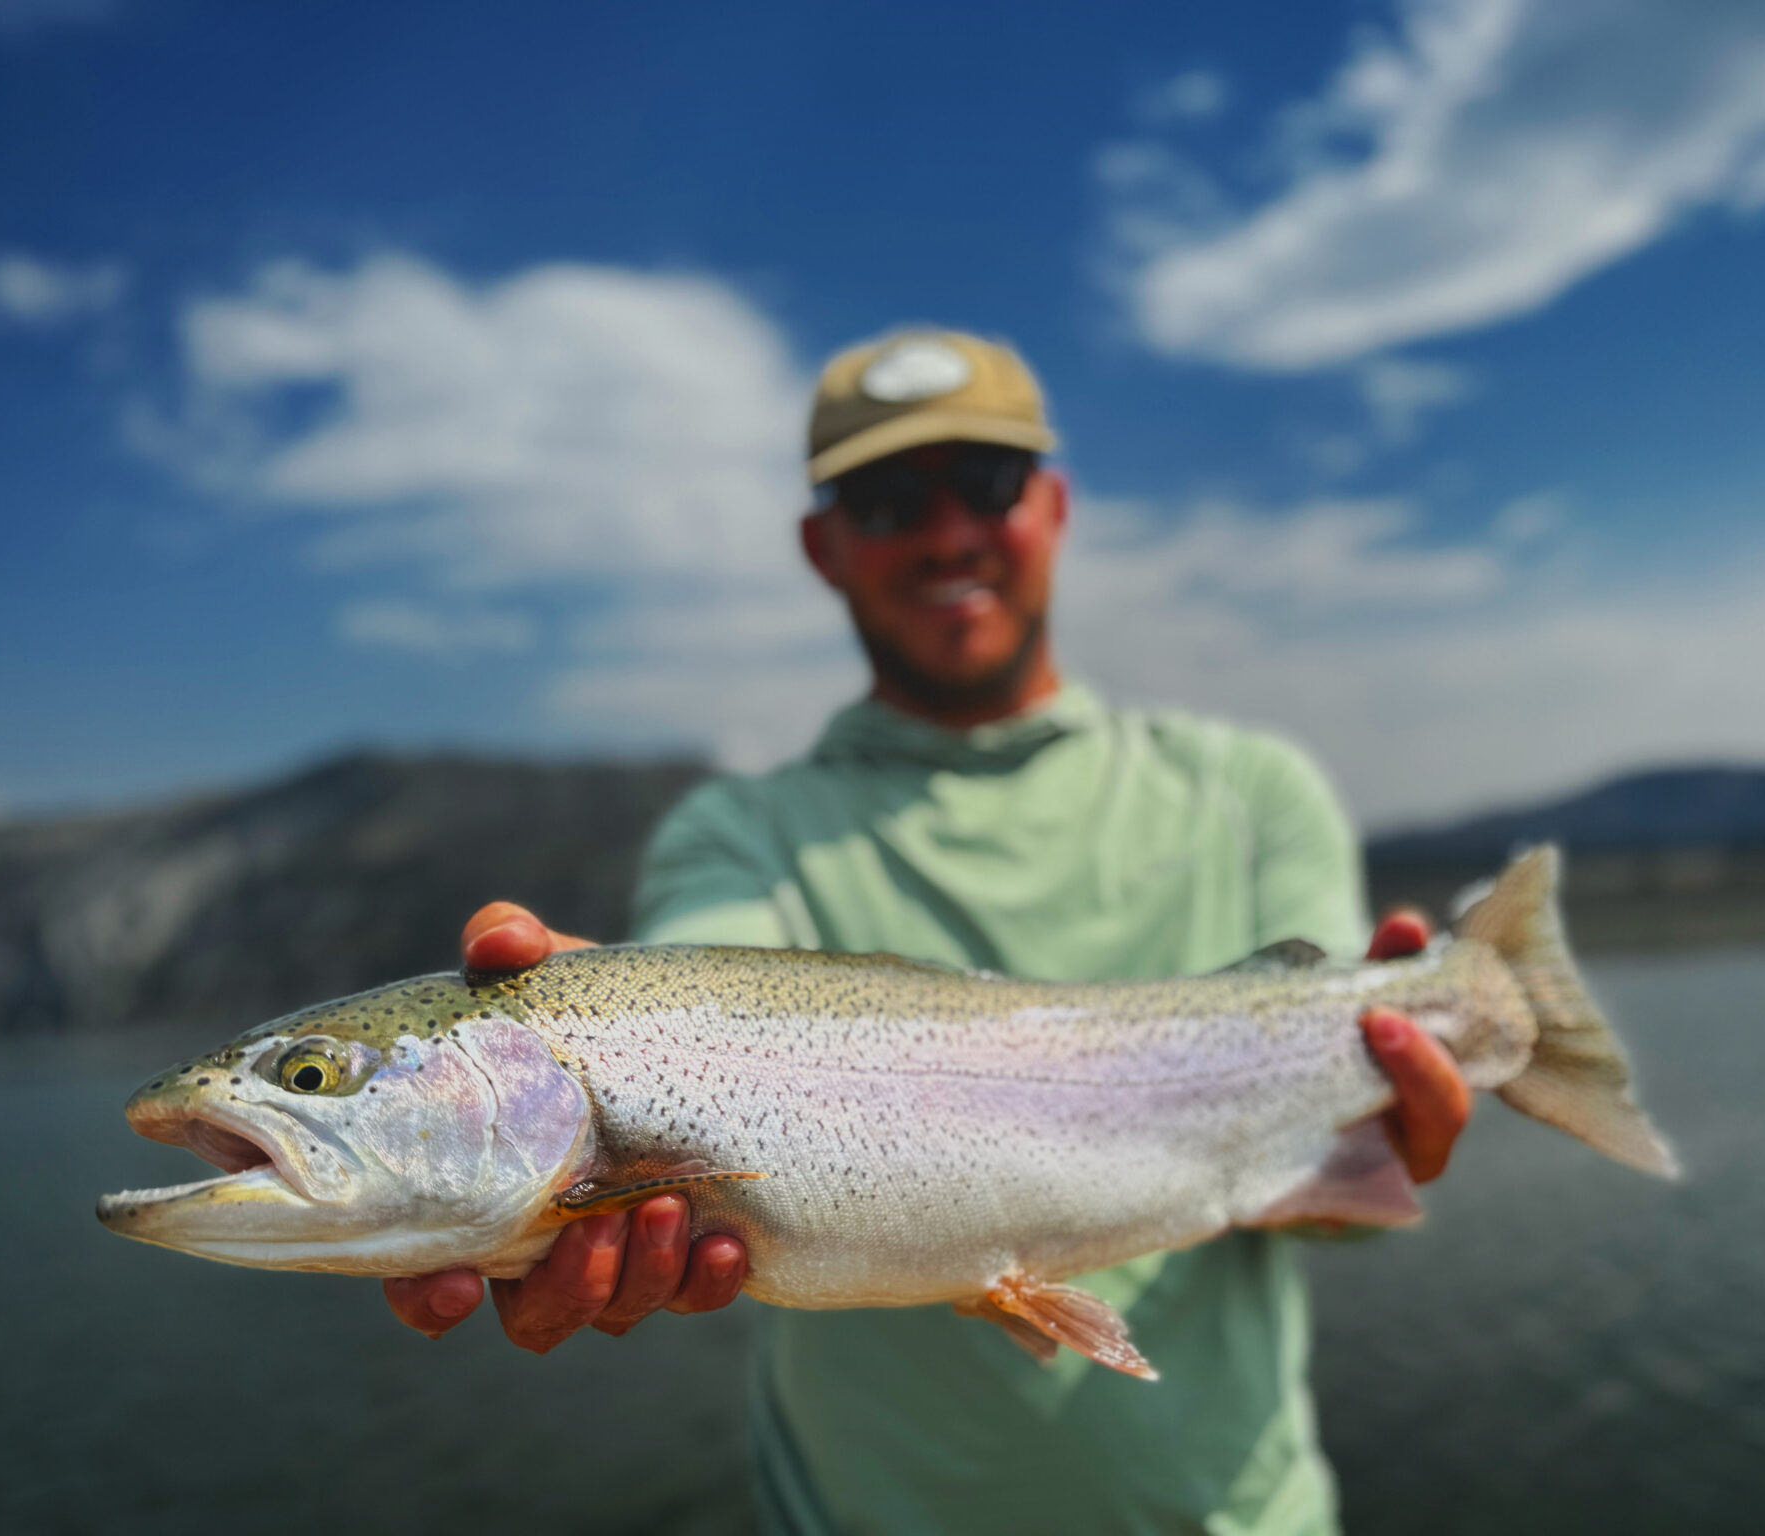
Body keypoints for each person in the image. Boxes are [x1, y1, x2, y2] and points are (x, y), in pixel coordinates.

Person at [385, 330, 1471, 1534]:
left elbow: (1326, 1194)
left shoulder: (1254, 793)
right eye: (891, 498)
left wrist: (1382, 1136)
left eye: (989, 486)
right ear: (823, 547)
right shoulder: (737, 834)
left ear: (1051, 506)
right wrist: (599, 1038)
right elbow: (677, 1019)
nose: (948, 532)